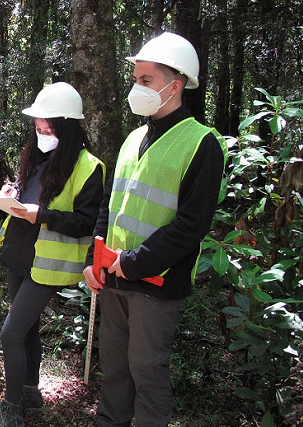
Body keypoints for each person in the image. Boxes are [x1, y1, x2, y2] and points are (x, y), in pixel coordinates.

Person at [83, 32, 227, 427]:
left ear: (174, 85)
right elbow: (109, 207)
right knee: (113, 369)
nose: (136, 88)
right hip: (112, 278)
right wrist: (94, 261)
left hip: (156, 284)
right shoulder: (133, 138)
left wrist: (134, 263)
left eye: (145, 80)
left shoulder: (202, 143)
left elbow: (191, 225)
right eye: (135, 79)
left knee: (147, 371)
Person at [0, 82, 105, 427]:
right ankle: (30, 392)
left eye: (48, 127)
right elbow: (29, 196)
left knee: (11, 333)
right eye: (38, 127)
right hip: (20, 253)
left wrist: (43, 215)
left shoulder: (88, 167)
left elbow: (88, 221)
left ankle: (10, 411)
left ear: (67, 127)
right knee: (27, 331)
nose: (42, 133)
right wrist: (11, 194)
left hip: (49, 264)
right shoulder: (37, 155)